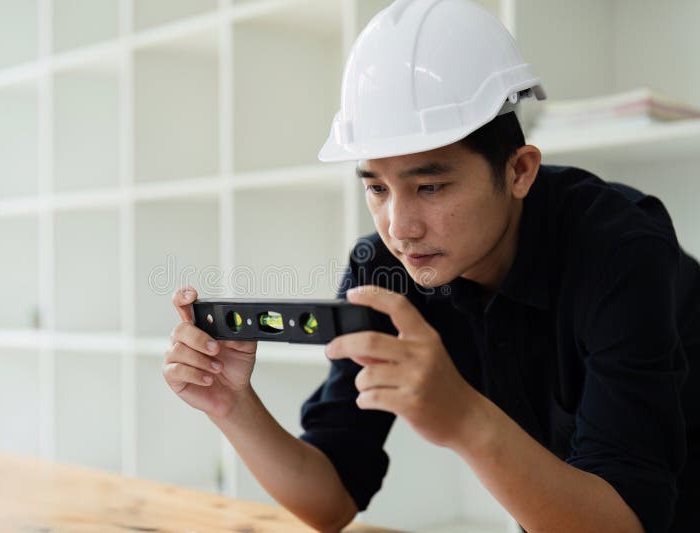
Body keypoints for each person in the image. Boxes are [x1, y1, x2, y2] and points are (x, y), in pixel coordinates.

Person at [162, 0, 699, 531]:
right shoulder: (384, 268)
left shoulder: (622, 252)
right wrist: (232, 405)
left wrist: (462, 417)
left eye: (430, 186)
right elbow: (331, 500)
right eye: (376, 187)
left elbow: (627, 523)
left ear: (519, 171)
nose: (400, 227)